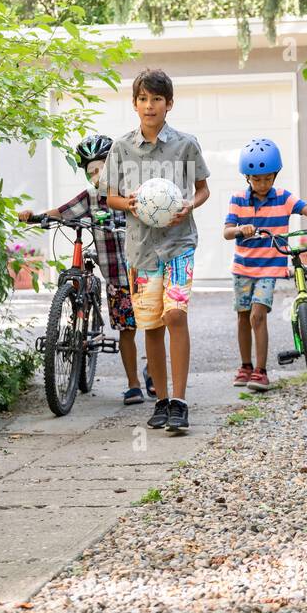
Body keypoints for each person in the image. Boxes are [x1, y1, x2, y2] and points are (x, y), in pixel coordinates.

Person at [104, 69, 210, 433]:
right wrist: (128, 204)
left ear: (169, 104)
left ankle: (179, 401)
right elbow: (110, 196)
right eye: (144, 99)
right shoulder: (121, 147)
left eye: (157, 99)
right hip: (141, 250)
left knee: (175, 315)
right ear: (135, 104)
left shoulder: (185, 144)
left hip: (179, 245)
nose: (150, 106)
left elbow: (202, 189)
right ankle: (161, 401)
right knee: (150, 324)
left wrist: (189, 205)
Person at [17, 134, 152, 404]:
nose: (96, 175)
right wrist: (35, 217)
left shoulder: (133, 193)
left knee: (151, 327)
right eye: (91, 171)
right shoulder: (90, 198)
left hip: (144, 274)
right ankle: (133, 384)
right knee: (127, 330)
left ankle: (153, 372)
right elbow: (62, 211)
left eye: (101, 168)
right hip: (117, 278)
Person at [224, 137, 307, 391]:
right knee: (243, 317)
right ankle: (245, 366)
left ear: (276, 175)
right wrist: (240, 230)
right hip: (243, 267)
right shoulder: (237, 200)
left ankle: (261, 371)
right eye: (257, 179)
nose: (263, 184)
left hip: (269, 267)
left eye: (268, 178)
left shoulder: (283, 198)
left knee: (258, 315)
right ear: (247, 178)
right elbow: (226, 232)